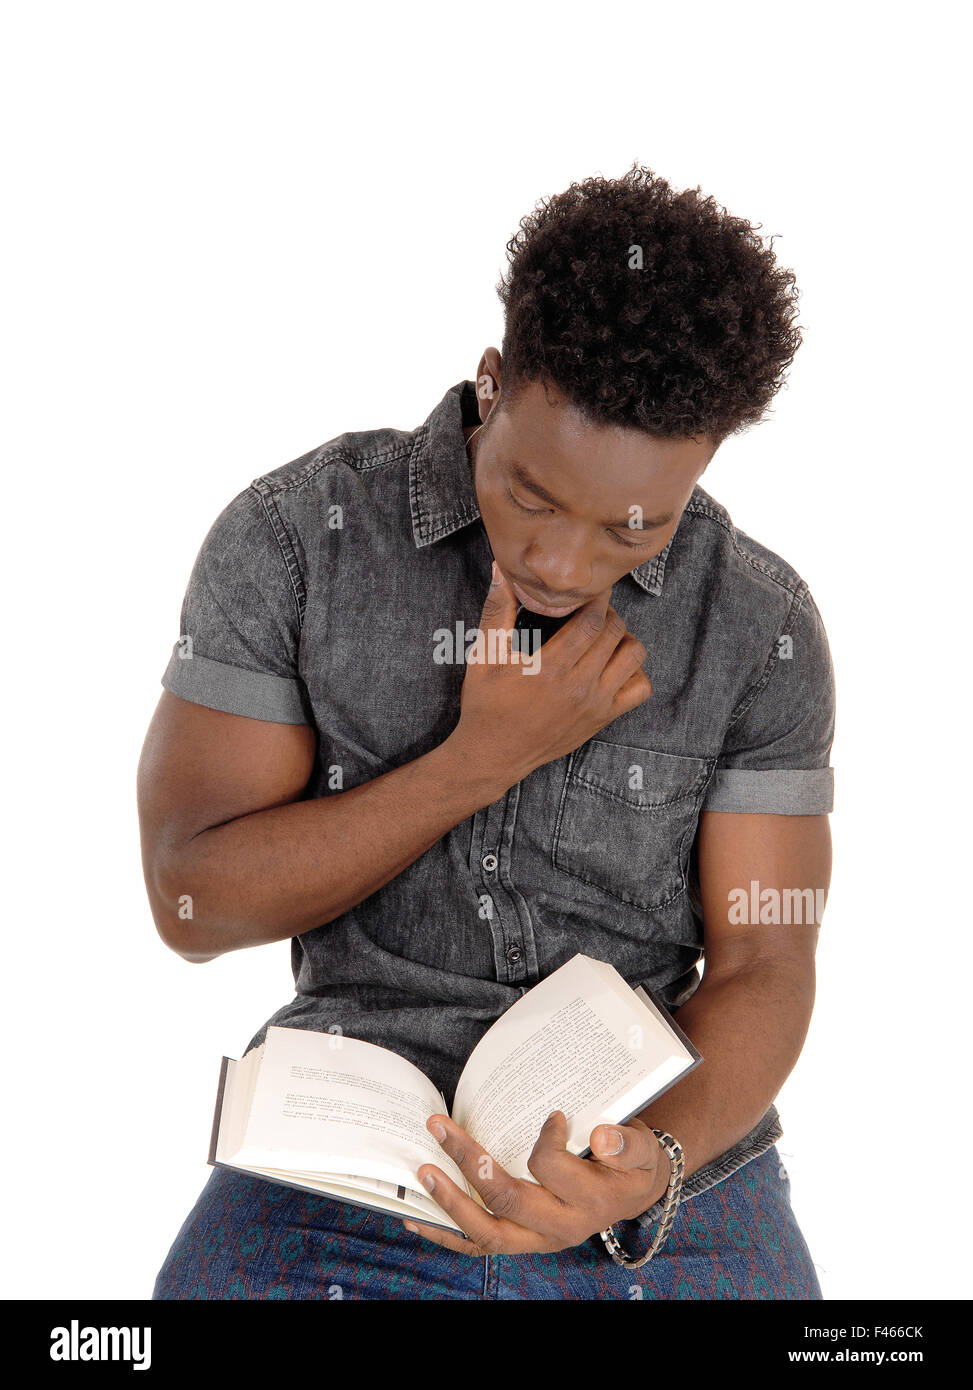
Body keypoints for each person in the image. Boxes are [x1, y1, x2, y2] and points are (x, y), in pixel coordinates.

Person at [138, 164, 834, 1300]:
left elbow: (767, 960)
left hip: (651, 1142)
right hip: (351, 1137)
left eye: (630, 525)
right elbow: (192, 904)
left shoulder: (758, 627)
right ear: (493, 381)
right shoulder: (296, 544)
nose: (561, 566)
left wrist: (645, 1168)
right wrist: (479, 760)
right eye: (532, 495)